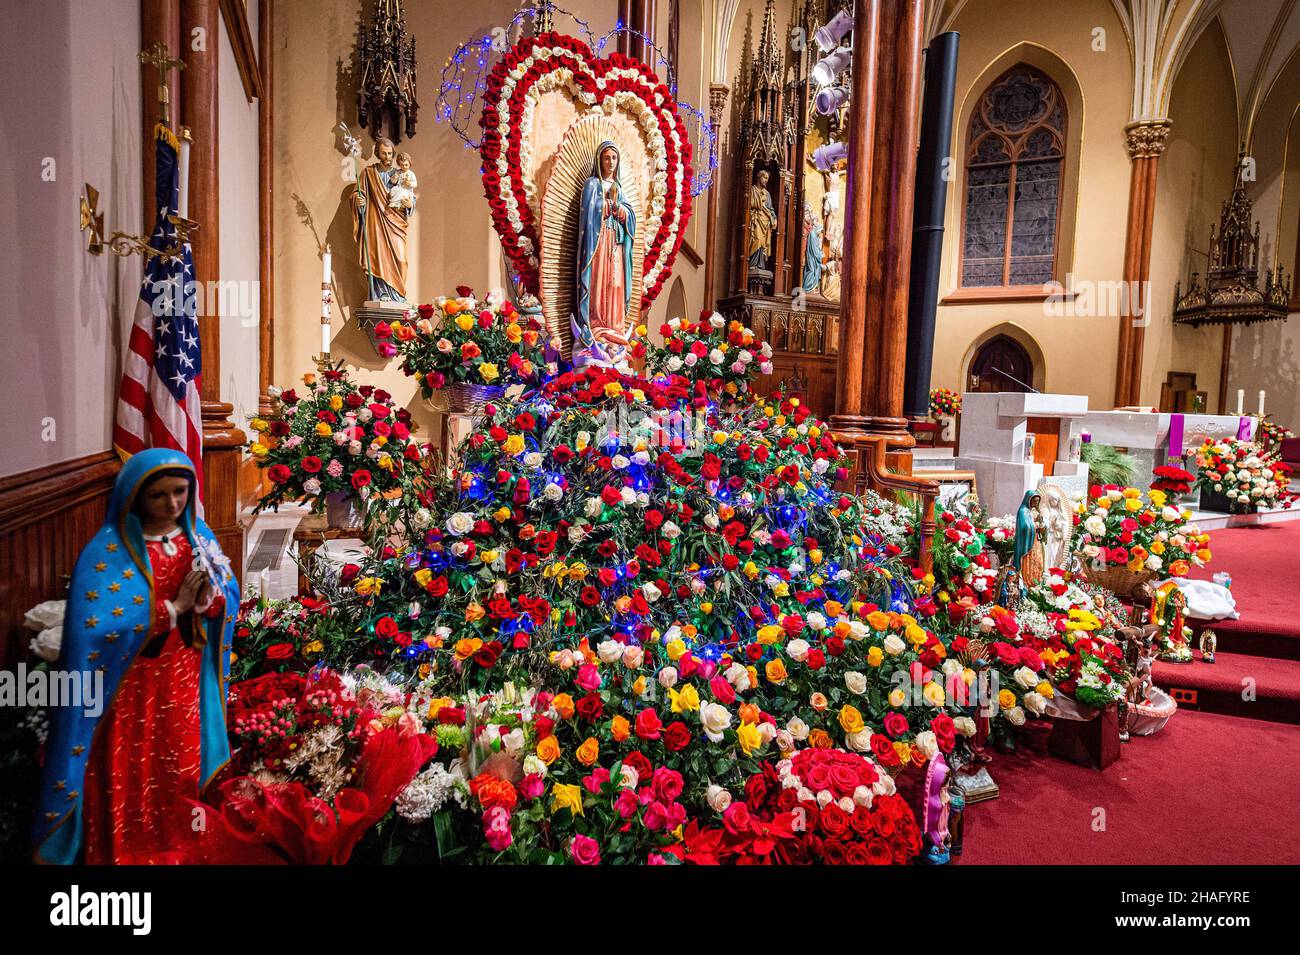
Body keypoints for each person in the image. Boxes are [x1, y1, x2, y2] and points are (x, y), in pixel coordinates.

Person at [33, 449, 240, 864]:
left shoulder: (199, 535)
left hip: (182, 674)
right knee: (130, 768)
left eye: (180, 492)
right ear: (134, 498)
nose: (172, 504)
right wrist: (174, 608)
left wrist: (208, 601)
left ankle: (179, 843)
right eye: (158, 496)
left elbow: (227, 598)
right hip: (127, 686)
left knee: (180, 759)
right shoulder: (110, 551)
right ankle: (126, 848)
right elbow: (98, 629)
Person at [573, 141, 636, 367]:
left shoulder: (622, 189)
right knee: (599, 284)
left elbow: (631, 218)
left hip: (617, 246)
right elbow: (588, 215)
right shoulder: (592, 185)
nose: (610, 162)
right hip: (598, 246)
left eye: (614, 158)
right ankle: (596, 327)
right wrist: (606, 206)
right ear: (600, 160)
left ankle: (614, 329)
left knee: (616, 286)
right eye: (607, 158)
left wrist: (621, 210)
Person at [351, 136, 412, 303]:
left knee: (401, 259)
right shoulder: (368, 173)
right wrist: (358, 199)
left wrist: (409, 204)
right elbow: (358, 193)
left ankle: (398, 295)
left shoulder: (400, 174)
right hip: (375, 222)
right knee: (377, 256)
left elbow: (409, 194)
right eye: (384, 154)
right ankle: (380, 293)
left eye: (390, 154)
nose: (388, 157)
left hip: (396, 222)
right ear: (377, 153)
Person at [748, 168, 777, 271]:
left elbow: (771, 209)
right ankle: (753, 263)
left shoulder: (767, 194)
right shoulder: (752, 190)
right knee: (757, 239)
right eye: (764, 178)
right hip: (756, 219)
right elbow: (750, 204)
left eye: (767, 179)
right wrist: (761, 203)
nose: (766, 180)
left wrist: (773, 218)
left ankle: (760, 264)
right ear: (759, 177)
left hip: (765, 223)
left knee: (763, 244)